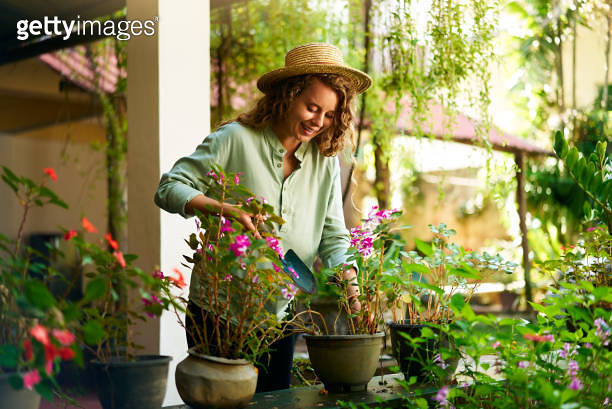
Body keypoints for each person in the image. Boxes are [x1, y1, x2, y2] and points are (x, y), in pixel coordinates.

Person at [154, 42, 371, 392]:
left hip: (281, 313)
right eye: (312, 107)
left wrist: (354, 293)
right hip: (220, 309)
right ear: (287, 95)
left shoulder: (324, 161)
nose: (318, 121)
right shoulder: (234, 139)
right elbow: (169, 187)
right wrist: (223, 209)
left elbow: (333, 235)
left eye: (329, 114)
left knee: (274, 401)